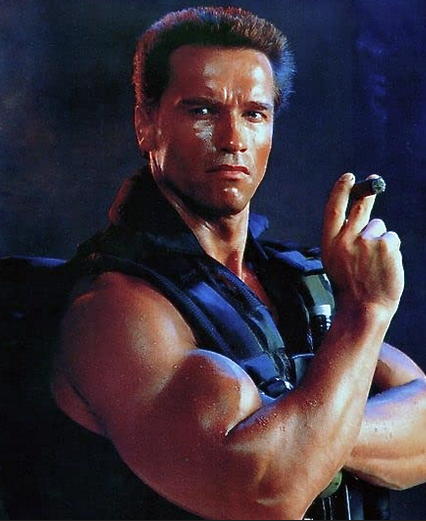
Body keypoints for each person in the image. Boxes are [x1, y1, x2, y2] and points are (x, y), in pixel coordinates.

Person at [39, 5, 426, 520]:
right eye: (203, 111)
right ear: (146, 124)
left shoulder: (295, 278)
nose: (232, 139)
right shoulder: (114, 308)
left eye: (254, 114)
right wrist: (364, 313)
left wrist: (292, 430)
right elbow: (268, 493)